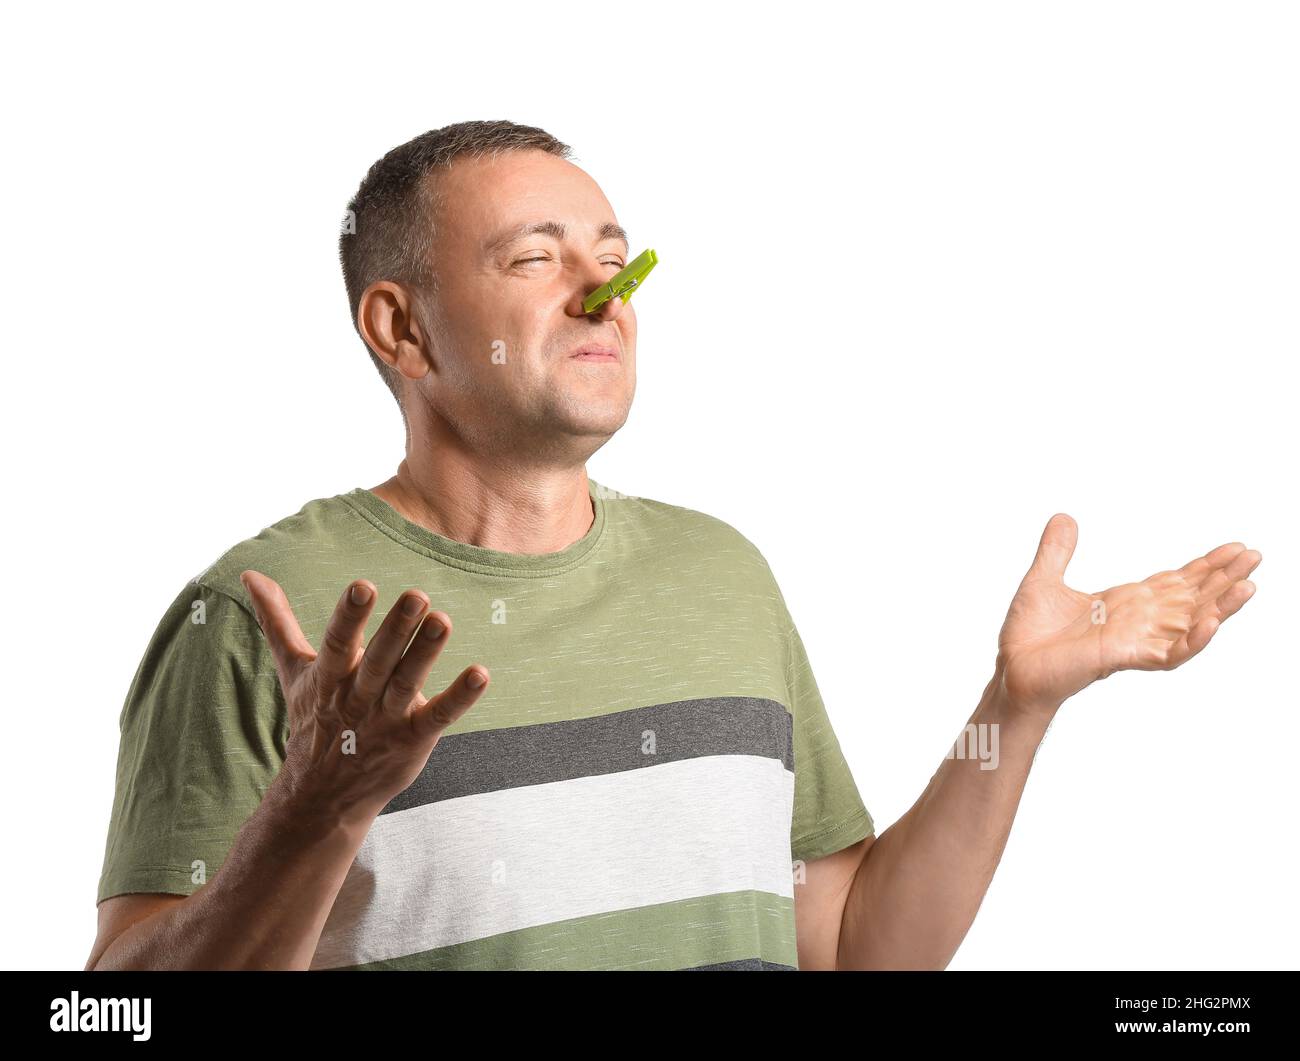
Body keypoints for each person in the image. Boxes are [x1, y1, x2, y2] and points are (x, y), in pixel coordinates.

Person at [87, 120, 1261, 971]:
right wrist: (315, 809)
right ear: (401, 327)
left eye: (612, 253)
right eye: (536, 259)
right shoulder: (267, 612)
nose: (603, 292)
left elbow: (853, 947)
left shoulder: (719, 575)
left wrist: (1018, 703)